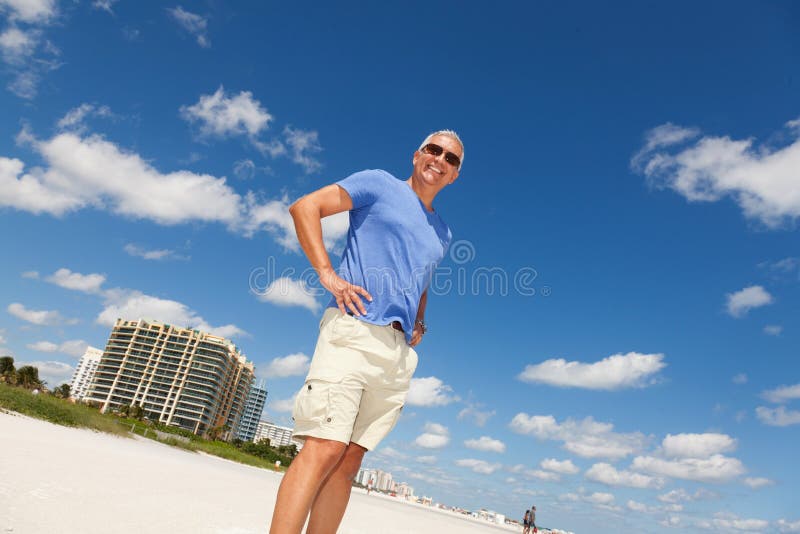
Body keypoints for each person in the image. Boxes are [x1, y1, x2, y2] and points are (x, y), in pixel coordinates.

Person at [268, 130, 464, 534]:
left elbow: (421, 278)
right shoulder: (379, 184)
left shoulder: (442, 233)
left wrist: (420, 318)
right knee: (325, 446)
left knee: (349, 461)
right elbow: (305, 207)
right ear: (416, 155)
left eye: (451, 158)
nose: (440, 159)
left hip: (395, 353)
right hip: (353, 330)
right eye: (433, 149)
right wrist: (329, 276)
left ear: (454, 175)